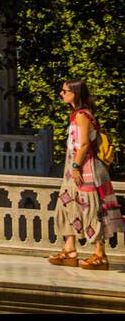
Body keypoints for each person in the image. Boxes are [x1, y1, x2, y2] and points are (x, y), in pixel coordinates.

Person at [49, 79, 123, 269]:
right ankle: (69, 250)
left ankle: (100, 255)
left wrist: (75, 166)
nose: (61, 94)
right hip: (73, 166)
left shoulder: (83, 115)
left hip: (85, 167)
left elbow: (84, 145)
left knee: (90, 208)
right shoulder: (75, 114)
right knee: (67, 203)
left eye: (65, 91)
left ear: (75, 93)